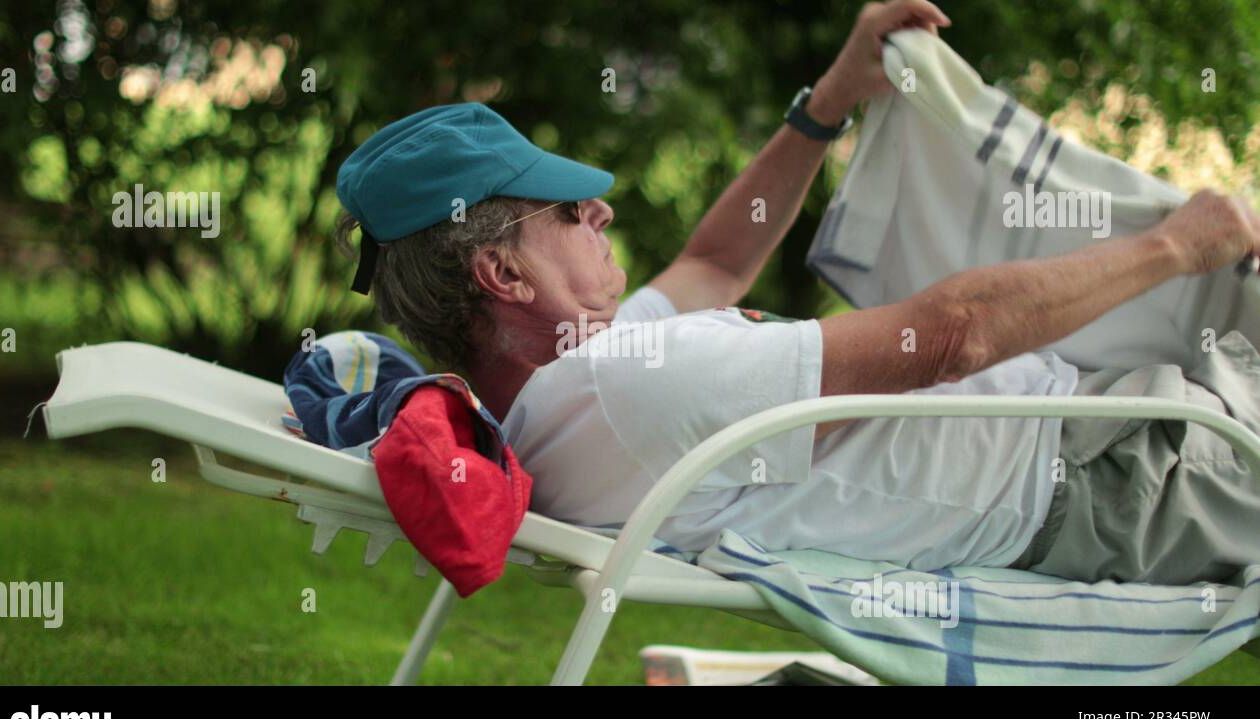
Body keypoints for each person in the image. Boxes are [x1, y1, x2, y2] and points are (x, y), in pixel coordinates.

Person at [334, 0, 1260, 586]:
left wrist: (827, 104)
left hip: (1095, 432)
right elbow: (954, 335)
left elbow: (713, 265)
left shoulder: (560, 394)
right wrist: (1176, 245)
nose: (602, 210)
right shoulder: (637, 382)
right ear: (504, 274)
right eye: (569, 210)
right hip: (1121, 475)